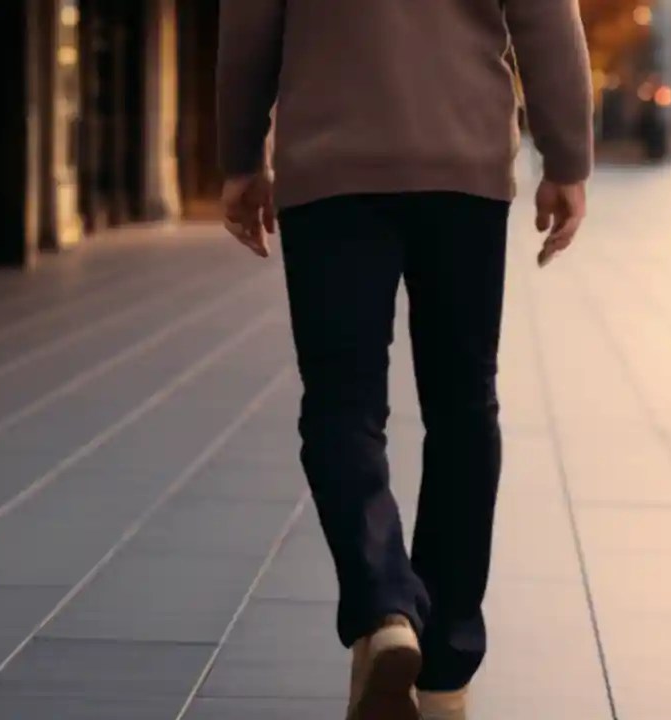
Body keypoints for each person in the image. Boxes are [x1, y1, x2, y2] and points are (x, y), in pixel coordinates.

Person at [216, 2, 593, 719]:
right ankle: (447, 671)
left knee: (341, 402)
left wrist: (240, 158)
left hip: (329, 173)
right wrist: (566, 159)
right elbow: (546, 18)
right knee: (462, 406)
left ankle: (384, 605)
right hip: (464, 164)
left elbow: (248, 28)